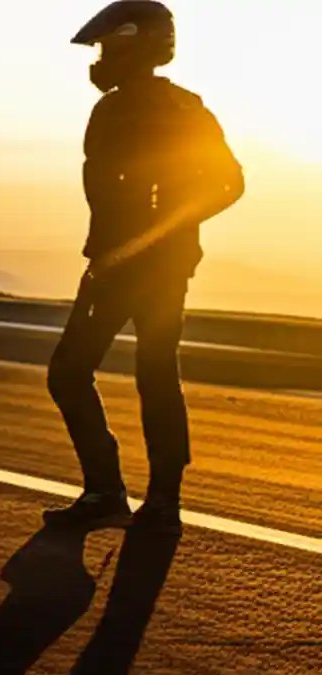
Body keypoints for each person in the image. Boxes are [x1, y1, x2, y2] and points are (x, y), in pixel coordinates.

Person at [43, 1, 244, 534]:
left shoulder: (141, 110)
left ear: (136, 44)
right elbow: (230, 184)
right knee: (156, 375)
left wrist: (150, 235)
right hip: (163, 269)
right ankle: (160, 502)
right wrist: (169, 232)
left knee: (69, 372)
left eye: (110, 46)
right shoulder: (183, 107)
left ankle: (109, 491)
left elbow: (227, 183)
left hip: (126, 269)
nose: (103, 57)